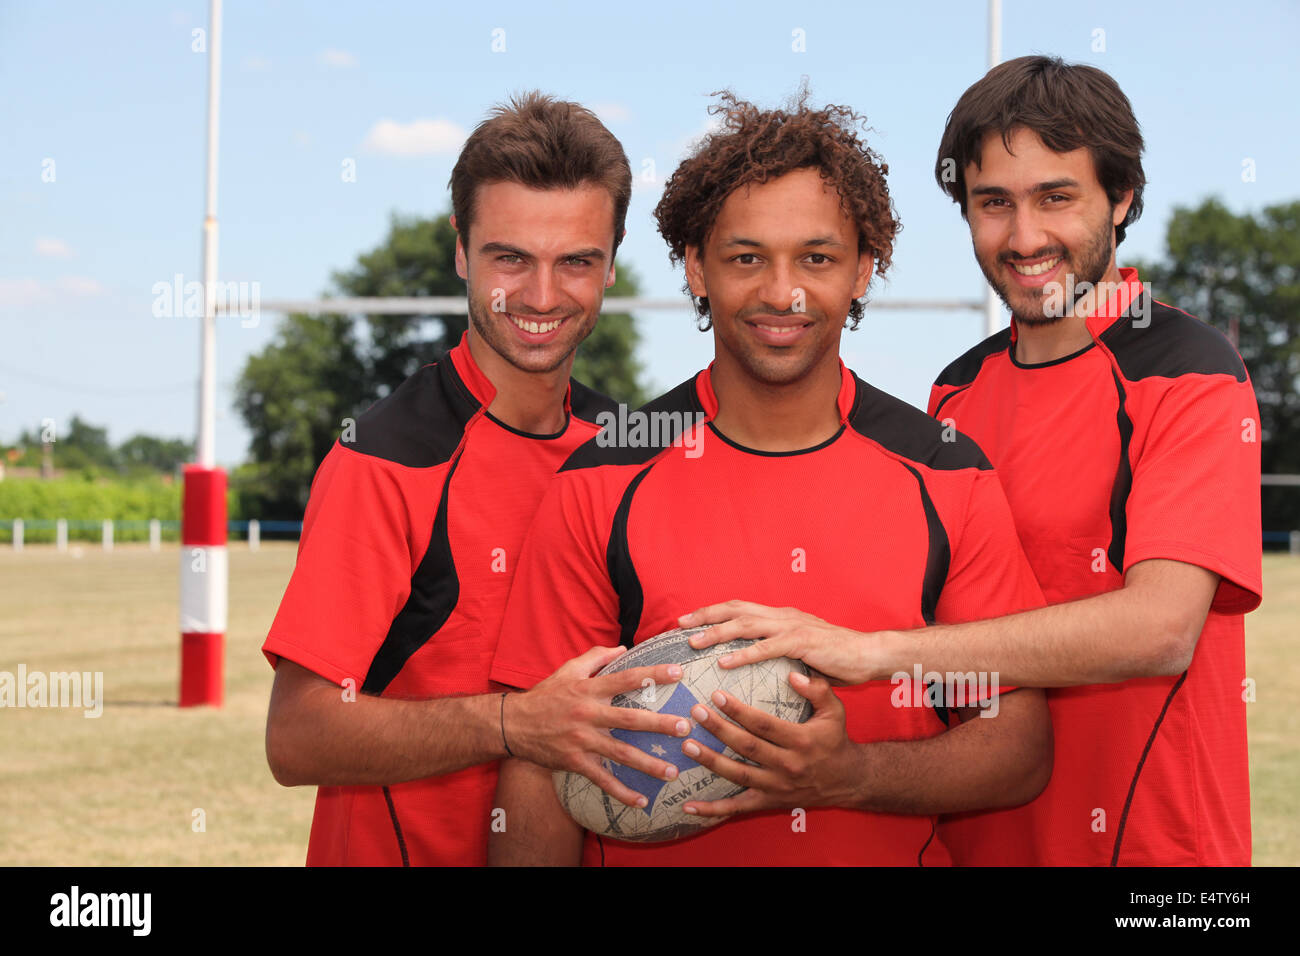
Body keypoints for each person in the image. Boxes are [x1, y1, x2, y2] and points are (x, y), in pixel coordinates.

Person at [681, 57, 1262, 866]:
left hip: (1150, 856)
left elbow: (1159, 629)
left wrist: (874, 651)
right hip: (978, 841)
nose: (1024, 238)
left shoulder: (1187, 371)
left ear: (1122, 198)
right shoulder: (955, 391)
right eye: (994, 204)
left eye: (1056, 198)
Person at [487, 90, 1053, 867]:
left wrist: (849, 776)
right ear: (696, 269)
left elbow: (1017, 746)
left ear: (864, 269)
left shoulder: (948, 474)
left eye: (816, 259)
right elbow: (540, 758)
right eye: (746, 257)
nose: (781, 291)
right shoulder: (604, 475)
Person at [261, 92, 692, 867]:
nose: (541, 296)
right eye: (510, 258)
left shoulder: (634, 452)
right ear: (461, 250)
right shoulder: (388, 459)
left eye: (576, 262)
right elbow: (297, 736)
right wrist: (514, 723)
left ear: (611, 264)